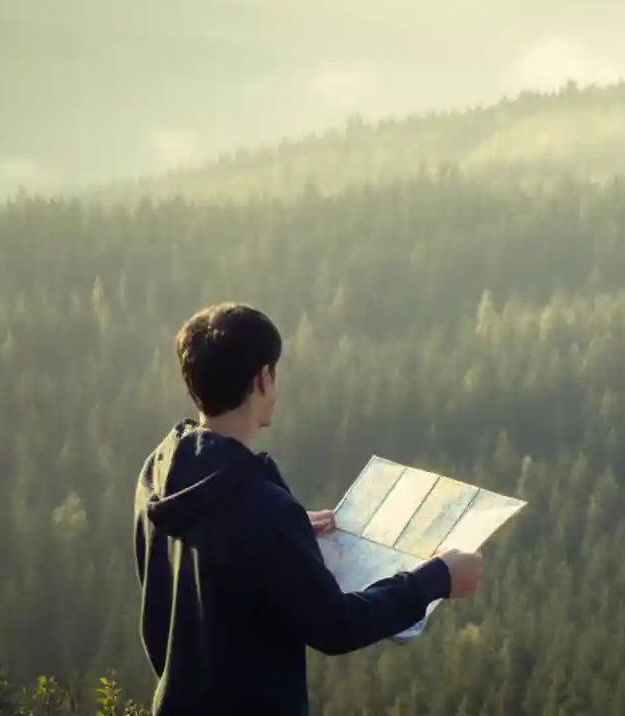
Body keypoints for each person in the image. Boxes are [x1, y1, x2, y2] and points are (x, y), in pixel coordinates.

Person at [133, 303, 483, 715]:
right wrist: (437, 578)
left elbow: (164, 605)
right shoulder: (263, 512)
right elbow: (337, 627)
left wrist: (290, 532)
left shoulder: (160, 473)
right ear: (262, 378)